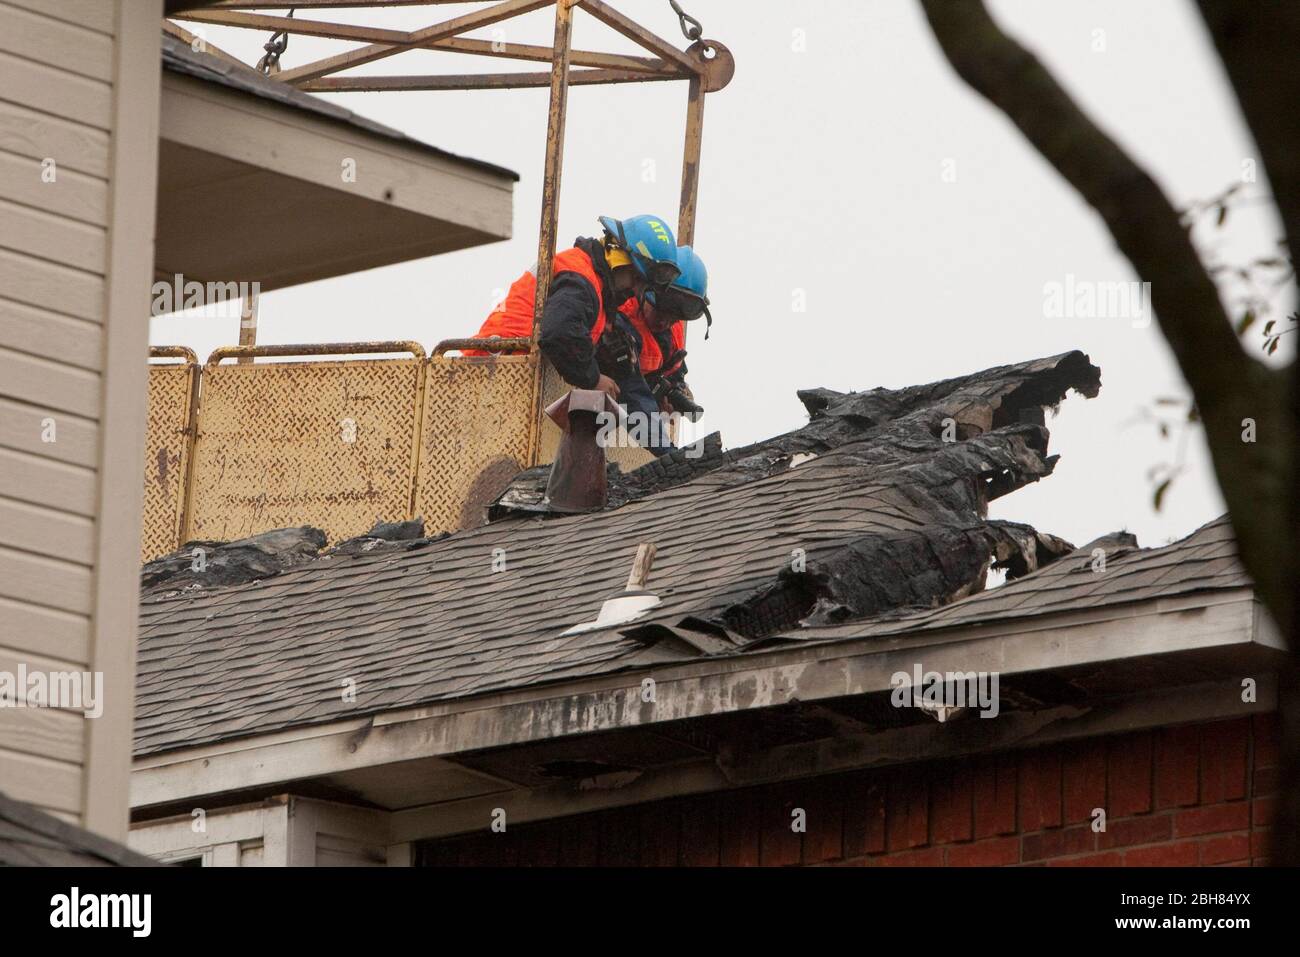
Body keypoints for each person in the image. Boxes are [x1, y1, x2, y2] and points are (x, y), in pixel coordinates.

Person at [466, 215, 680, 408]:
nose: (634, 292)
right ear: (623, 262)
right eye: (636, 280)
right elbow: (559, 333)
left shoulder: (593, 283)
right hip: (494, 373)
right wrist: (594, 379)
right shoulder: (582, 280)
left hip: (508, 373)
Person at [619, 245, 710, 432]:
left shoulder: (672, 336)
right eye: (660, 311)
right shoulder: (620, 312)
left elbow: (675, 373)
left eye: (674, 317)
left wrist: (672, 394)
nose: (664, 322)